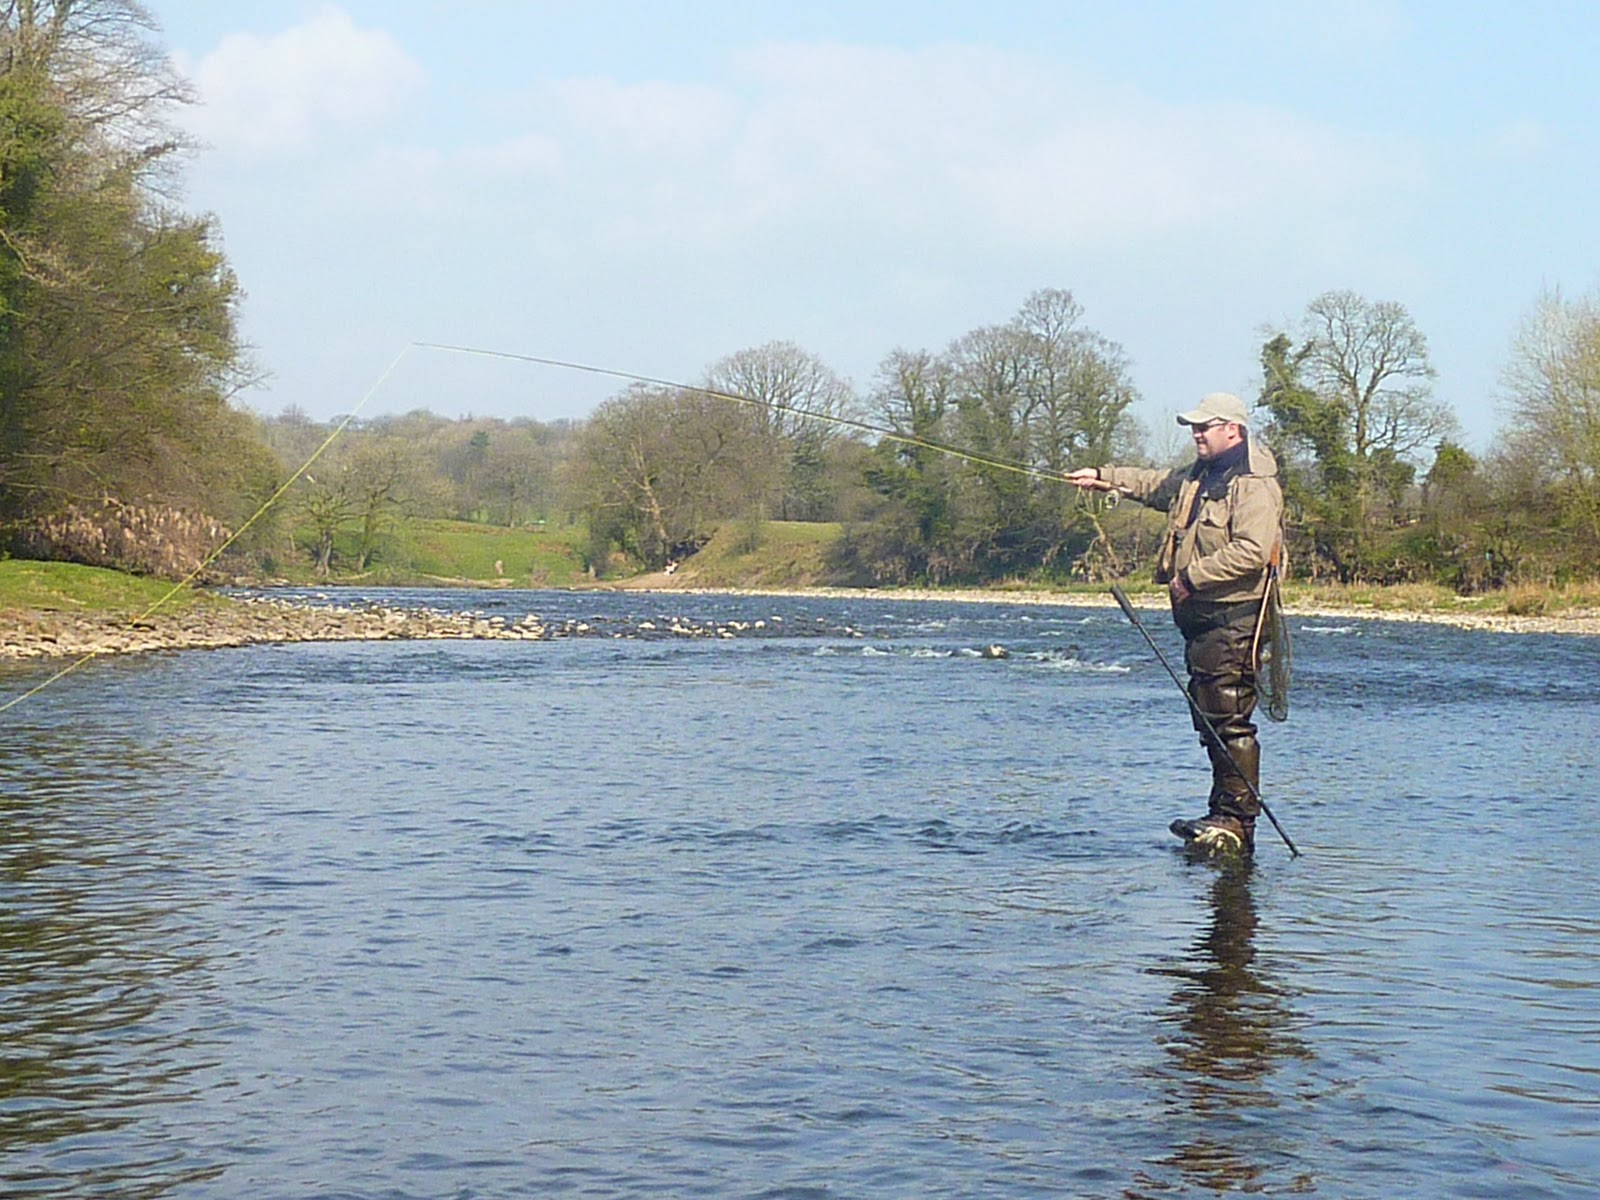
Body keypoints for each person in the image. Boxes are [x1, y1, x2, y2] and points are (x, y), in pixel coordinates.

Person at [1066, 392, 1284, 855]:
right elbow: (1153, 483)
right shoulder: (1199, 476)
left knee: (1228, 719)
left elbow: (1252, 549)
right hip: (1203, 620)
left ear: (1234, 429)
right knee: (1209, 716)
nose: (1196, 434)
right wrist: (1103, 479)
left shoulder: (1253, 483)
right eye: (1194, 427)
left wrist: (1190, 577)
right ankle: (1223, 813)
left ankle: (1237, 822)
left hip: (1235, 616)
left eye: (1205, 426)